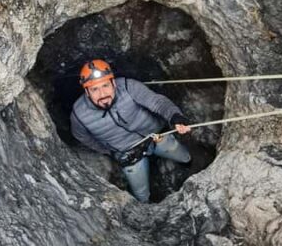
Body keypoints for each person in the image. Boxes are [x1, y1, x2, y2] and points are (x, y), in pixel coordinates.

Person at [70, 59, 191, 202]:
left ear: (114, 83)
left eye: (105, 85)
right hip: (128, 153)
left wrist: (174, 117)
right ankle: (146, 209)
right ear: (86, 91)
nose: (102, 94)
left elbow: (157, 102)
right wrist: (109, 151)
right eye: (94, 89)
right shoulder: (79, 115)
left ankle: (188, 165)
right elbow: (82, 137)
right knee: (141, 194)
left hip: (156, 136)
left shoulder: (128, 87)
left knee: (184, 156)